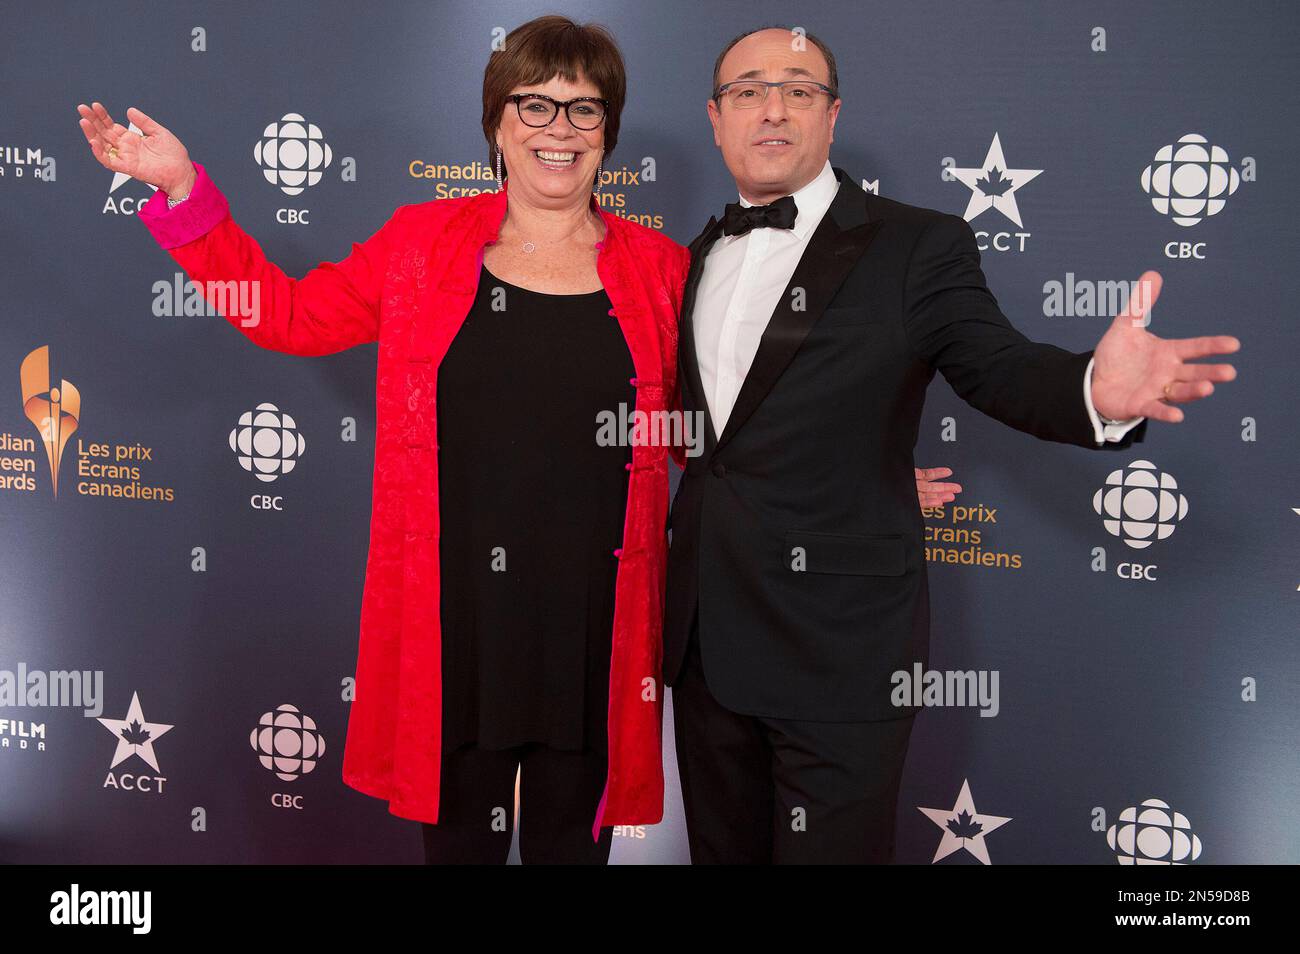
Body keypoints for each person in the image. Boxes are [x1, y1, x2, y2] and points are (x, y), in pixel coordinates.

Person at [75, 14, 960, 865]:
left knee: (571, 852)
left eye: (583, 108)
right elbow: (287, 316)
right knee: (456, 844)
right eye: (533, 104)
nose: (558, 129)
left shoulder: (660, 267)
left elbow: (721, 412)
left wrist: (850, 470)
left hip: (596, 630)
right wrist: (186, 194)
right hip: (454, 618)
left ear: (608, 131)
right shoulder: (421, 243)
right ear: (497, 125)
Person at [664, 26, 1240, 864]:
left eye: (799, 89)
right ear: (716, 120)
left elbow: (996, 365)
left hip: (840, 647)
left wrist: (1091, 391)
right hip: (703, 640)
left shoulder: (917, 245)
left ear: (833, 116)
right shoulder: (692, 257)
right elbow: (706, 433)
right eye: (748, 91)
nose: (773, 109)